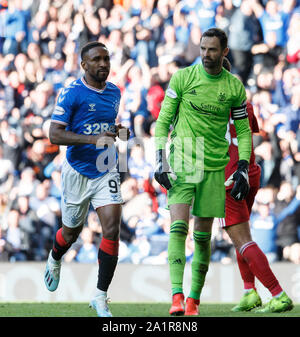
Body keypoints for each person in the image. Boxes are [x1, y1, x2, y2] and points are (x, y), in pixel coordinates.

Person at [154, 28, 252, 316]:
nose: (206, 54)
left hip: (214, 166)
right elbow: (163, 122)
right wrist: (160, 158)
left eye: (212, 49)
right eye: (203, 48)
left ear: (224, 52)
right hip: (182, 162)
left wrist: (243, 165)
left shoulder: (233, 88)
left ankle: (193, 300)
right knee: (178, 226)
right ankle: (176, 296)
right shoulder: (183, 78)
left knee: (202, 236)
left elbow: (243, 132)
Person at [43, 41, 130, 317]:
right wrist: (92, 139)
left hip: (106, 167)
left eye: (107, 59)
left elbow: (103, 127)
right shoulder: (71, 93)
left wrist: (115, 131)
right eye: (97, 60)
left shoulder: (115, 92)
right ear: (84, 65)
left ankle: (100, 297)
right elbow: (54, 134)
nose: (104, 64)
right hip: (77, 170)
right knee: (70, 233)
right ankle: (56, 257)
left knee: (112, 227)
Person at [220, 57, 293, 313]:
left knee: (240, 238)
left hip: (228, 179)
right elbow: (250, 134)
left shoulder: (209, 107)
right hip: (250, 172)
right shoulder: (244, 103)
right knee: (242, 235)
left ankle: (278, 293)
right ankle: (249, 291)